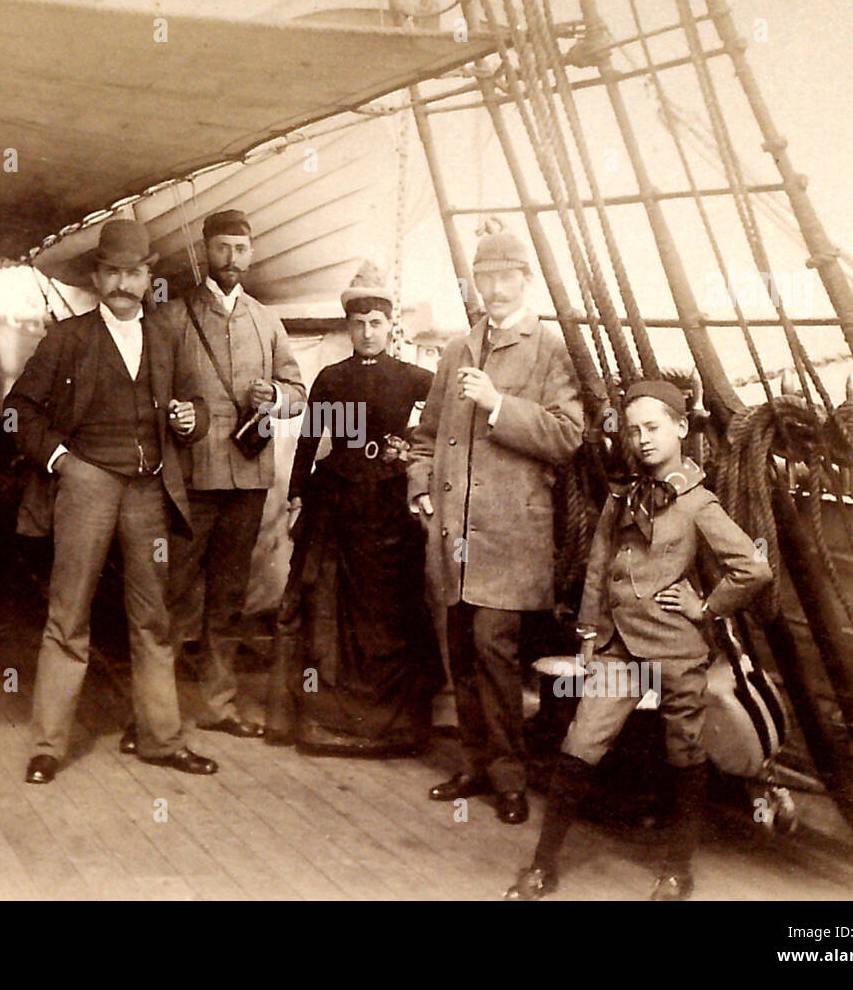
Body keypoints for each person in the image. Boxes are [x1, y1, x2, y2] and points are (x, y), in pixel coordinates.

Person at [505, 379, 773, 901]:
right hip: (617, 649)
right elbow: (599, 564)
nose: (644, 439)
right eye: (634, 430)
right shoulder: (622, 495)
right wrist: (588, 633)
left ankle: (677, 870)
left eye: (654, 428)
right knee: (579, 745)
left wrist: (707, 607)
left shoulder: (699, 503)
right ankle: (542, 866)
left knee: (685, 753)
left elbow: (753, 568)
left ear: (680, 428)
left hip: (677, 650)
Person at [5, 218, 218, 784]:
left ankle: (161, 739)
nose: (124, 284)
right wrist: (61, 463)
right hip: (87, 483)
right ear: (97, 277)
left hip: (149, 489)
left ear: (149, 278)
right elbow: (16, 411)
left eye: (135, 273)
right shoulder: (66, 339)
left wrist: (190, 417)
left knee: (153, 620)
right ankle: (48, 747)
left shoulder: (169, 337)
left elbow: (194, 410)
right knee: (69, 616)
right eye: (114, 273)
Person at [407, 231, 584, 824]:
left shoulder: (549, 349)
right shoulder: (458, 348)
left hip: (510, 538)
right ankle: (476, 766)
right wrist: (418, 488)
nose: (497, 287)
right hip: (452, 535)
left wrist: (497, 404)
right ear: (477, 283)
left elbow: (567, 435)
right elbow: (425, 437)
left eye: (508, 276)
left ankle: (510, 776)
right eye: (488, 277)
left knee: (492, 649)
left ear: (525, 280)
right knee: (458, 649)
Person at [267, 287, 441, 754]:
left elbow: (442, 429)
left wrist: (407, 450)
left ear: (390, 327)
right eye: (359, 324)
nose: (367, 332)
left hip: (390, 507)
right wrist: (296, 495)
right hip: (336, 504)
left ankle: (394, 723)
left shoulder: (416, 378)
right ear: (349, 328)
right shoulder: (330, 378)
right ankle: (328, 718)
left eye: (376, 324)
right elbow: (308, 440)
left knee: (389, 609)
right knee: (325, 604)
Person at [155, 209, 306, 745]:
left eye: (240, 248)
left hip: (247, 479)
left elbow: (298, 392)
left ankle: (217, 705)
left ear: (251, 251)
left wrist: (277, 397)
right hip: (192, 479)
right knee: (175, 595)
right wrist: (177, 414)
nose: (232, 258)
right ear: (206, 250)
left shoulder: (267, 320)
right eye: (221, 247)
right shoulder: (172, 317)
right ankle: (155, 713)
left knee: (229, 596)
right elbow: (151, 394)